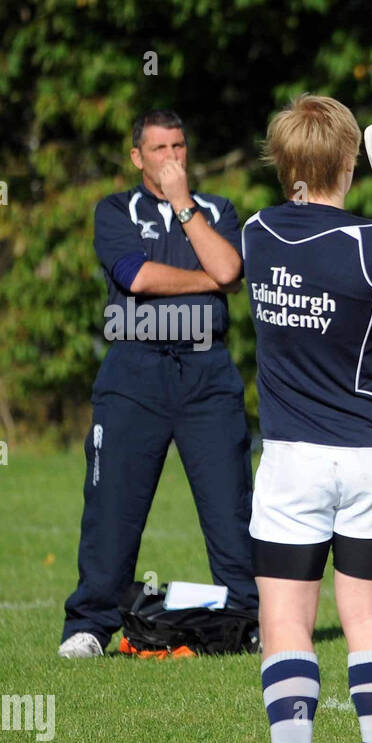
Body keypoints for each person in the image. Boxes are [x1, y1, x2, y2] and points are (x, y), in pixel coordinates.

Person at [196, 94, 372, 743]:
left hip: (292, 463)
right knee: (368, 618)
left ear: (282, 164)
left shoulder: (254, 234)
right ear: (352, 160)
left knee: (285, 621)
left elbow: (323, 263)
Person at [60, 109, 257, 658]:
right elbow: (136, 276)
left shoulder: (216, 210)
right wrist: (208, 279)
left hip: (207, 373)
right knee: (111, 507)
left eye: (179, 147)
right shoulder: (114, 209)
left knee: (231, 505)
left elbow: (231, 269)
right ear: (137, 157)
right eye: (160, 149)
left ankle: (248, 620)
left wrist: (185, 206)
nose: (172, 158)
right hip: (135, 369)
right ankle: (89, 625)